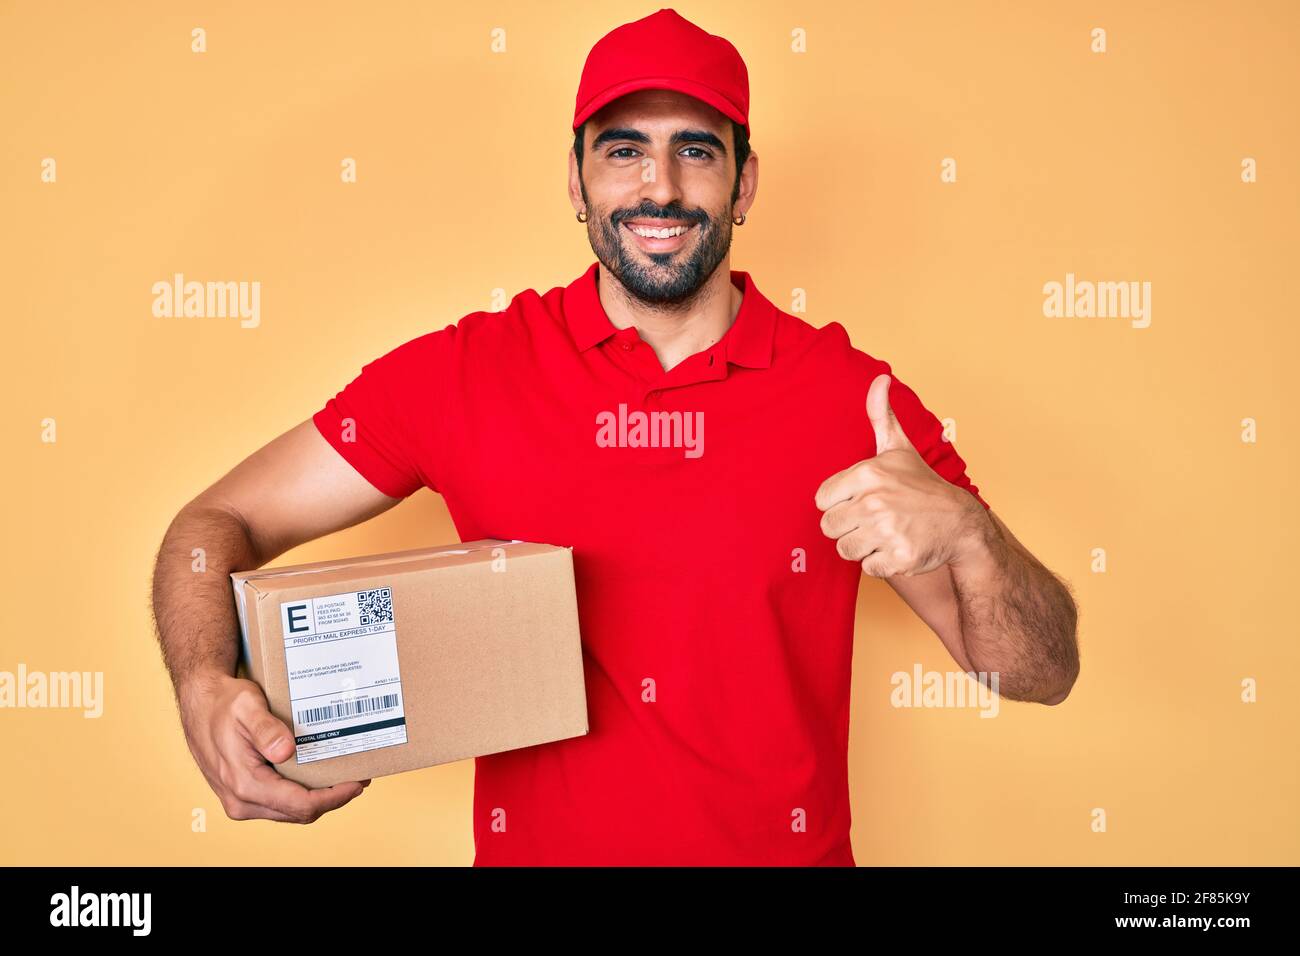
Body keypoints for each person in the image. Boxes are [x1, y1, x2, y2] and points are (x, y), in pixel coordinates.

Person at [150, 8, 1078, 865]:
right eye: (624, 150)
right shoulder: (463, 374)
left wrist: (970, 532)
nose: (659, 188)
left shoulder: (851, 402)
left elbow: (1039, 673)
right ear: (577, 177)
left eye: (697, 153)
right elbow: (218, 520)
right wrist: (203, 683)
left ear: (744, 182)